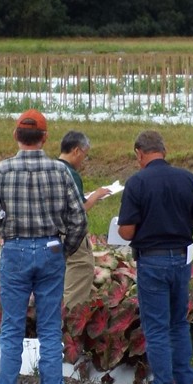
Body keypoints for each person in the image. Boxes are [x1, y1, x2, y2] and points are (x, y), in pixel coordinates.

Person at [0, 110, 88, 384]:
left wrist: (5, 224)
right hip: (52, 247)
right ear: (45, 138)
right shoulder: (59, 170)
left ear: (16, 136)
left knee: (12, 326)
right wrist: (63, 248)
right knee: (50, 327)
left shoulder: (3, 169)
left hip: (15, 249)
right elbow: (79, 218)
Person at [117, 131, 193, 384]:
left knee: (156, 328)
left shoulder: (137, 182)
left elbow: (126, 231)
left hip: (152, 261)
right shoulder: (186, 178)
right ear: (164, 151)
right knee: (178, 323)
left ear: (139, 153)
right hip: (182, 259)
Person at [57, 130, 113, 309]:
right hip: (72, 234)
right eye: (85, 156)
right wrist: (97, 195)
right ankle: (71, 320)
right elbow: (78, 210)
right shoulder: (70, 174)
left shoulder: (52, 167)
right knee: (81, 271)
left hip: (53, 232)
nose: (84, 161)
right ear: (76, 151)